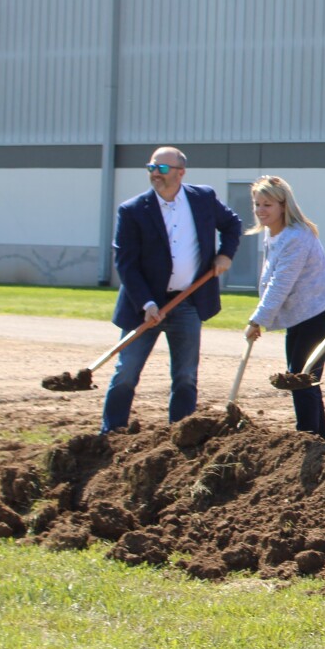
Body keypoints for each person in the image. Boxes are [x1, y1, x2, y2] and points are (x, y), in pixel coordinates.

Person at [100, 147, 243, 434]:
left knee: (185, 376)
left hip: (188, 302)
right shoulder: (132, 211)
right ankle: (111, 433)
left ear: (181, 172)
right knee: (126, 373)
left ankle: (180, 435)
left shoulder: (202, 199)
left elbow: (232, 224)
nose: (155, 173)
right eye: (151, 167)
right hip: (144, 307)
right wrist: (147, 303)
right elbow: (126, 264)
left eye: (162, 169)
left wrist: (226, 254)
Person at [244, 176, 325, 439]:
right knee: (300, 376)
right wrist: (260, 317)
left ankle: (308, 439)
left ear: (282, 205)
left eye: (267, 204)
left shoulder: (296, 236)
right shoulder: (272, 233)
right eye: (257, 204)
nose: (260, 210)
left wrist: (257, 320)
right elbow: (271, 279)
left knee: (301, 377)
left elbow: (281, 283)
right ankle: (316, 439)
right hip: (301, 314)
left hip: (322, 311)